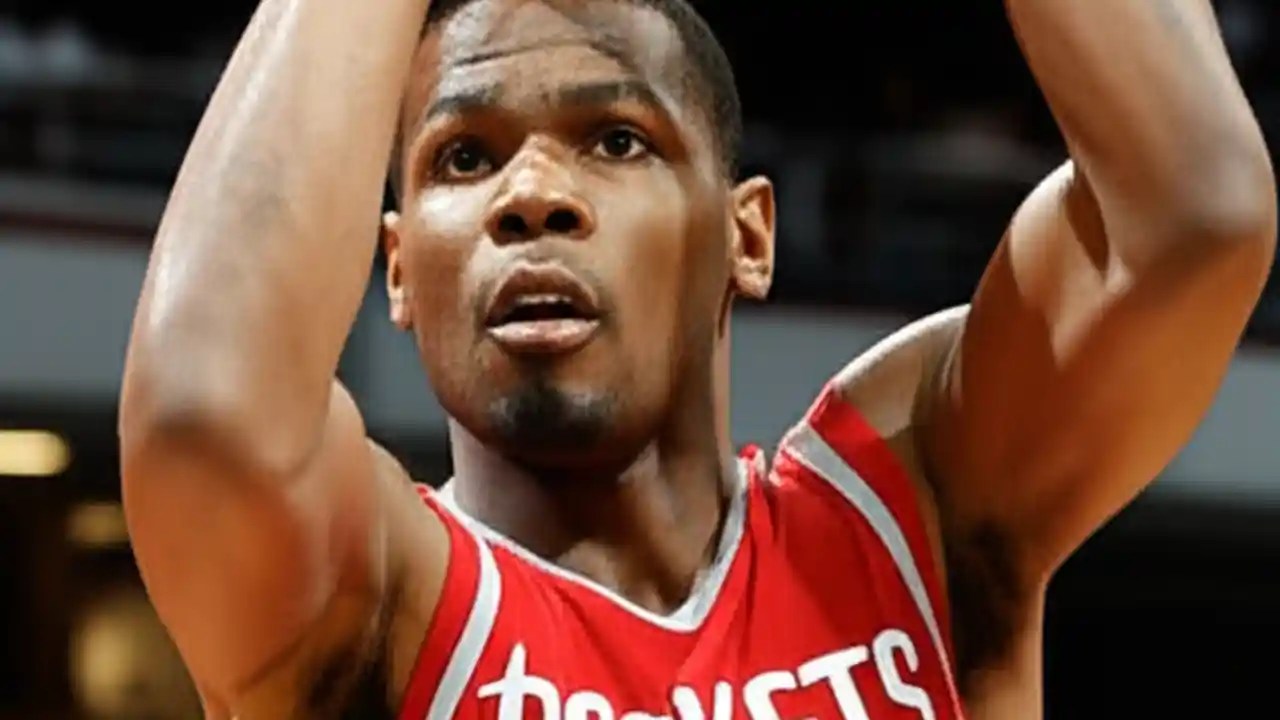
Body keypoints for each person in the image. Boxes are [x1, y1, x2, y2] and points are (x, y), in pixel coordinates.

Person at [117, 0, 1275, 717]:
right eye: (464, 159)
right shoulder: (373, 605)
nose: (530, 197)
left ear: (746, 235)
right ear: (400, 271)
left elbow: (1188, 218)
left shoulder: (899, 508)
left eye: (614, 140)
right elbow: (203, 416)